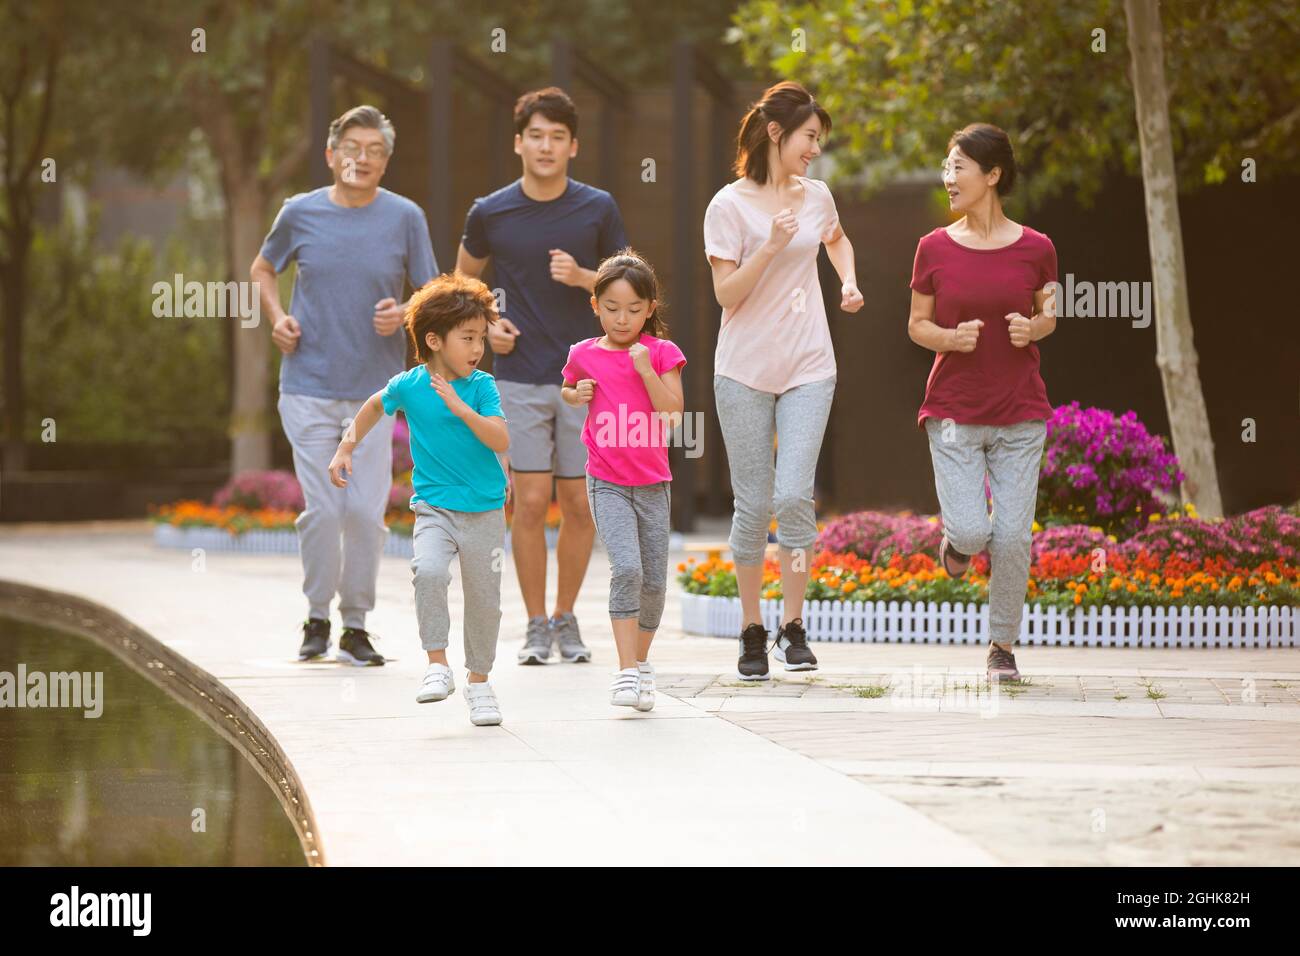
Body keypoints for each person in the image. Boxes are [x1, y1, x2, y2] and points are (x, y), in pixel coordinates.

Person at [252, 105, 438, 665]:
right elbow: (263, 268)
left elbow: (434, 291)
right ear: (332, 156)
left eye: (374, 150)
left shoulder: (405, 216)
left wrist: (406, 309)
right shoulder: (298, 212)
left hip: (376, 395)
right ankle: (317, 616)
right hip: (307, 385)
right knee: (325, 509)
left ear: (386, 161)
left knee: (362, 511)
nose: (362, 158)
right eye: (352, 148)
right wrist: (275, 316)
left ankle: (355, 625)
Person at [456, 86, 629, 667]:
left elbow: (627, 289)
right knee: (529, 501)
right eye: (536, 135)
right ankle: (534, 624)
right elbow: (462, 285)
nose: (546, 146)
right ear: (518, 143)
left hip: (588, 378)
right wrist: (488, 324)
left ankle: (566, 617)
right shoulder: (490, 211)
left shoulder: (597, 207)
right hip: (521, 377)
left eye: (558, 136)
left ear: (573, 145)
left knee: (580, 504)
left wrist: (584, 277)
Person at [703, 81, 864, 681]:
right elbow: (727, 294)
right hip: (743, 370)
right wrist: (768, 248)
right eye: (809, 138)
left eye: (818, 140)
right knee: (752, 505)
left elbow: (836, 238)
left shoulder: (817, 196)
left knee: (795, 496)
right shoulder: (728, 206)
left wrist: (846, 279)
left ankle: (793, 626)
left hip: (809, 366)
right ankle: (751, 629)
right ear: (776, 133)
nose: (815, 151)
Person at [907, 123, 1058, 682]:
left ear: (992, 175)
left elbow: (1052, 312)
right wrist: (949, 338)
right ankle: (956, 542)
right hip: (953, 413)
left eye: (959, 167)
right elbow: (916, 325)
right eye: (947, 167)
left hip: (1021, 412)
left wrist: (1034, 327)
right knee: (972, 532)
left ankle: (1001, 646)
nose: (949, 177)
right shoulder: (934, 247)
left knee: (1015, 536)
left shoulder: (1038, 248)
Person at [327, 272, 510, 726]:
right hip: (434, 507)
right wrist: (346, 445)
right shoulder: (409, 385)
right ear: (433, 340)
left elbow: (501, 438)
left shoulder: (482, 387)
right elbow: (372, 406)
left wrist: (462, 408)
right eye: (467, 338)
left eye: (481, 339)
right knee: (427, 572)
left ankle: (480, 683)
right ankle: (437, 665)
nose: (476, 349)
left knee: (484, 599)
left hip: (485, 509)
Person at [560, 251, 685, 710]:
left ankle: (641, 662)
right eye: (612, 308)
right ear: (595, 305)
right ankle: (625, 670)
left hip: (653, 482)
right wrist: (578, 393)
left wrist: (646, 370)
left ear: (651, 308)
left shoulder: (662, 353)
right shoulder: (583, 353)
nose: (622, 318)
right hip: (606, 478)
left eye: (634, 309)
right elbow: (569, 388)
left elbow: (673, 414)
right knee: (627, 569)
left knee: (654, 581)